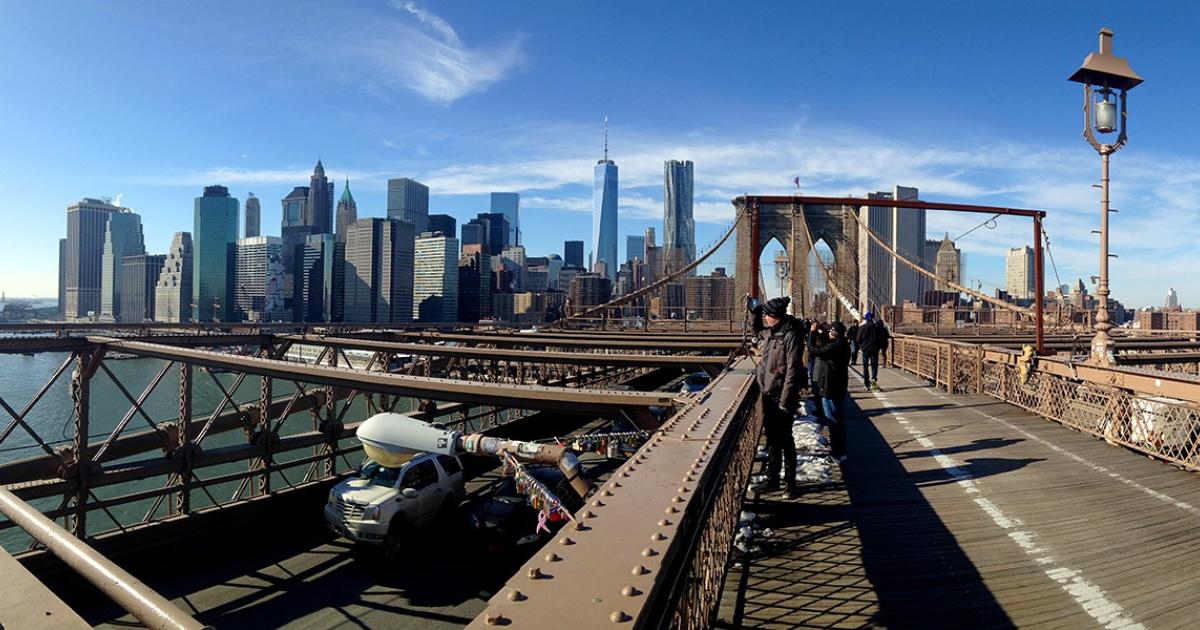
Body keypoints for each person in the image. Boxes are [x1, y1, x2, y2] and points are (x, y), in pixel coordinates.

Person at [752, 296, 801, 497]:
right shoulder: (772, 332)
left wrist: (785, 401)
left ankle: (790, 484)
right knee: (772, 439)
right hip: (768, 393)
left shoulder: (790, 335)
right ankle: (773, 479)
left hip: (782, 396)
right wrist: (754, 312)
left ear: (776, 316)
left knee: (785, 440)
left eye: (766, 315)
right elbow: (756, 332)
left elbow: (793, 370)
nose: (765, 317)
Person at [809, 321, 852, 462]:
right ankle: (841, 452)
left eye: (830, 331)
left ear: (834, 333)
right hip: (838, 387)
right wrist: (822, 330)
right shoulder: (843, 344)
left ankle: (836, 454)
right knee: (838, 420)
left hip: (831, 388)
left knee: (833, 422)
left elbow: (813, 350)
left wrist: (812, 332)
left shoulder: (835, 347)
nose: (828, 333)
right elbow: (824, 344)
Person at [857, 312, 884, 390]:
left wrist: (862, 346)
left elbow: (858, 339)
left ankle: (866, 384)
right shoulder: (877, 328)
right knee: (874, 367)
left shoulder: (862, 327)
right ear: (872, 318)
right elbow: (880, 340)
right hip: (874, 350)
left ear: (866, 318)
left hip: (865, 350)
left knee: (865, 367)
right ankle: (874, 382)